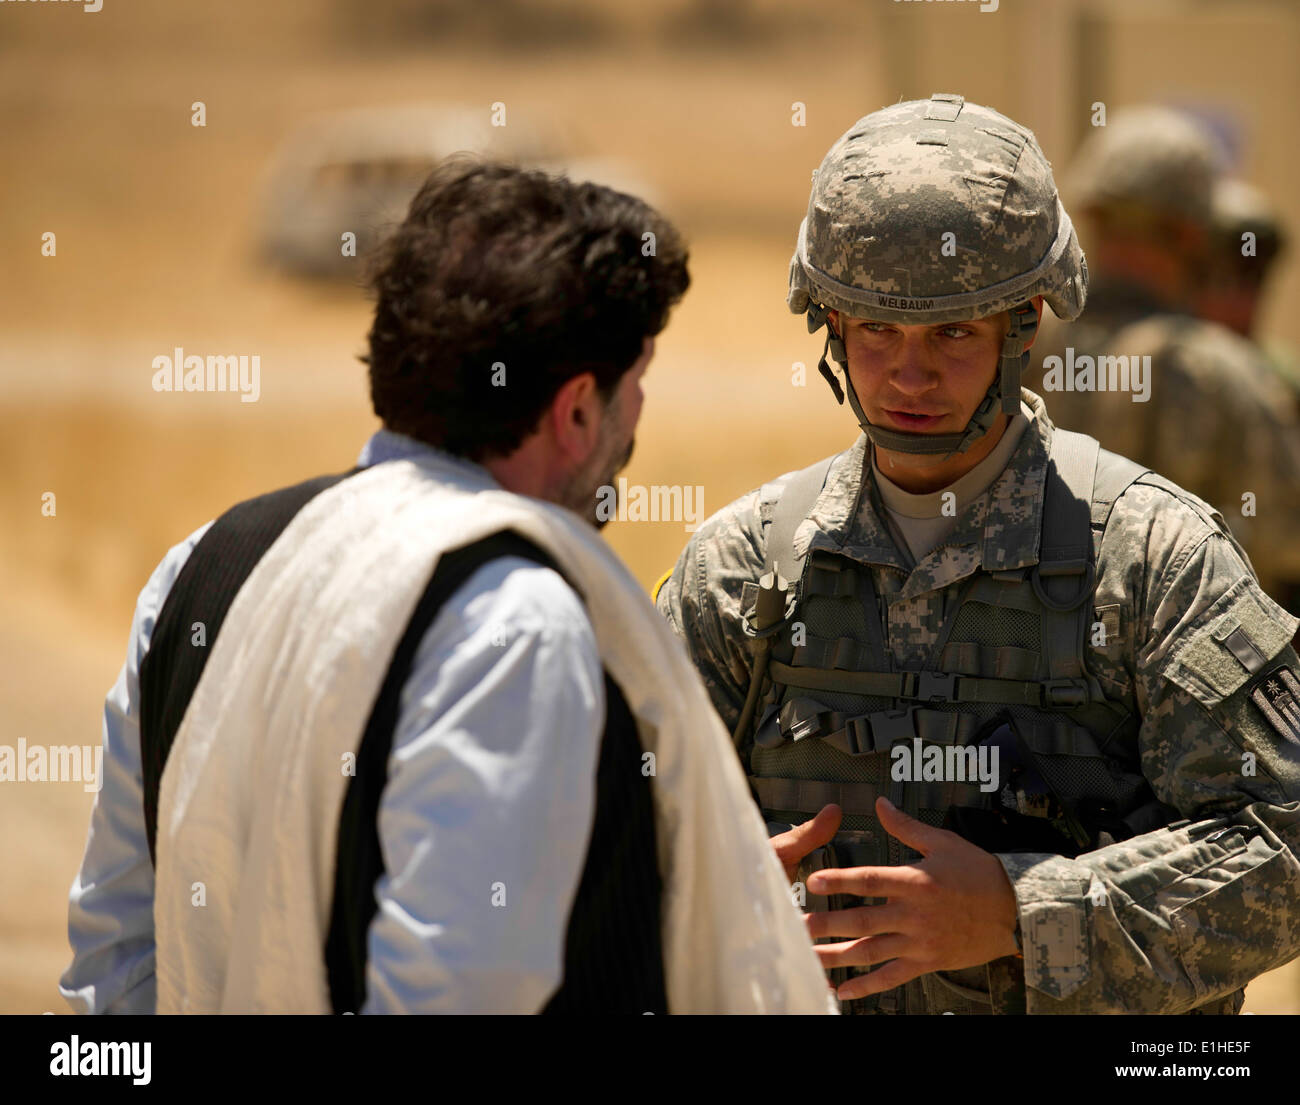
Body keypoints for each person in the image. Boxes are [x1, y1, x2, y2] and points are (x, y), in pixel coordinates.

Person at [59, 160, 831, 1015]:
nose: (638, 413)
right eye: (636, 379)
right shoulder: (515, 625)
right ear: (578, 412)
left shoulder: (202, 566)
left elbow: (115, 967)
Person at [656, 95, 1300, 1015]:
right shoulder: (739, 570)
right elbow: (586, 832)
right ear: (831, 327)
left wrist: (1020, 913)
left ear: (1025, 326)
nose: (908, 373)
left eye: (952, 332)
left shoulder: (1156, 561)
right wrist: (700, 893)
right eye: (877, 329)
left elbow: (1284, 842)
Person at [1027, 106, 1300, 609]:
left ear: (1093, 216)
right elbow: (1283, 551)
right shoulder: (1223, 372)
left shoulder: (1014, 342)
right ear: (1193, 234)